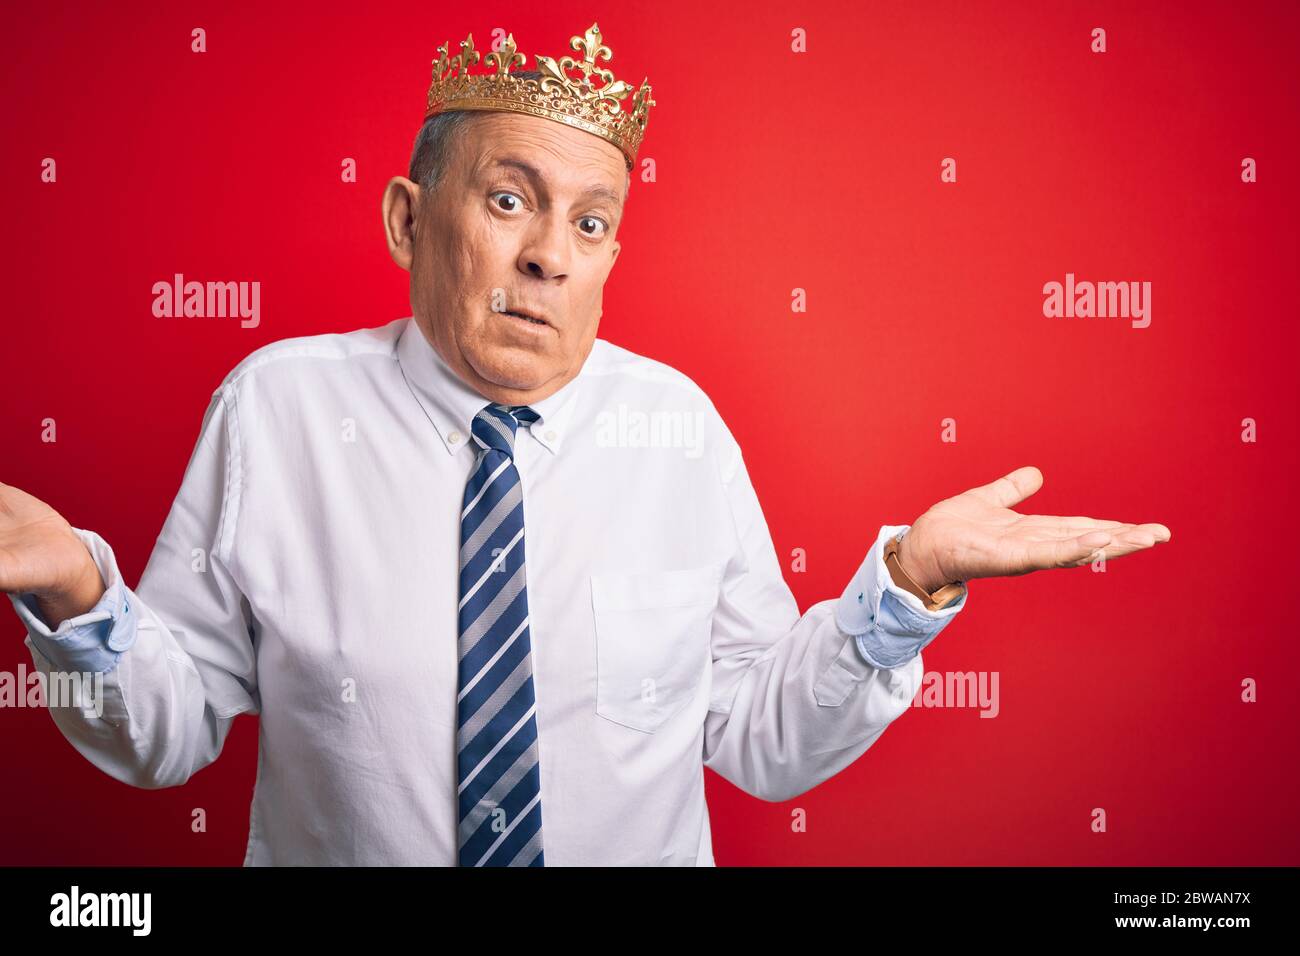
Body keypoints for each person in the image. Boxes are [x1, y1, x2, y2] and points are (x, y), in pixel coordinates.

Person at [0, 23, 1170, 866]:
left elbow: (756, 736)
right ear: (410, 219)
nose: (550, 255)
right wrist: (77, 589)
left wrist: (906, 586)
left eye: (592, 222)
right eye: (509, 201)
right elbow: (166, 732)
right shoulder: (277, 407)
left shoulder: (679, 429)